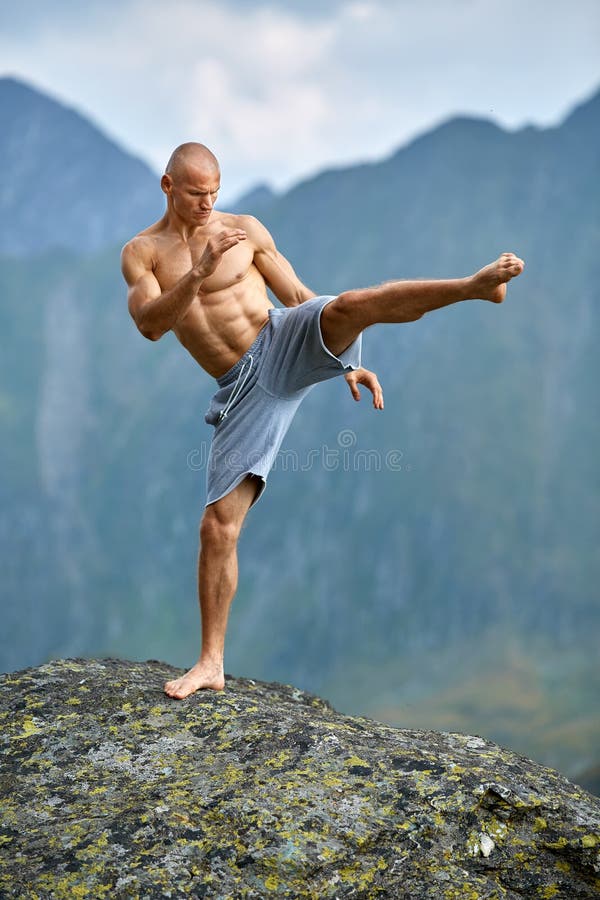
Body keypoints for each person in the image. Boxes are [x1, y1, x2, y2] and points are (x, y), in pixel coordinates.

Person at [121, 142, 524, 700]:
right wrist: (199, 272)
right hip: (243, 388)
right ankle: (211, 662)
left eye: (214, 192)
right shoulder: (143, 253)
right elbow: (150, 324)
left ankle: (473, 287)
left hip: (281, 338)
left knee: (351, 304)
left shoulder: (245, 230)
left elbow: (297, 295)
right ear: (168, 187)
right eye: (195, 194)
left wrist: (344, 360)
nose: (207, 204)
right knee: (217, 528)